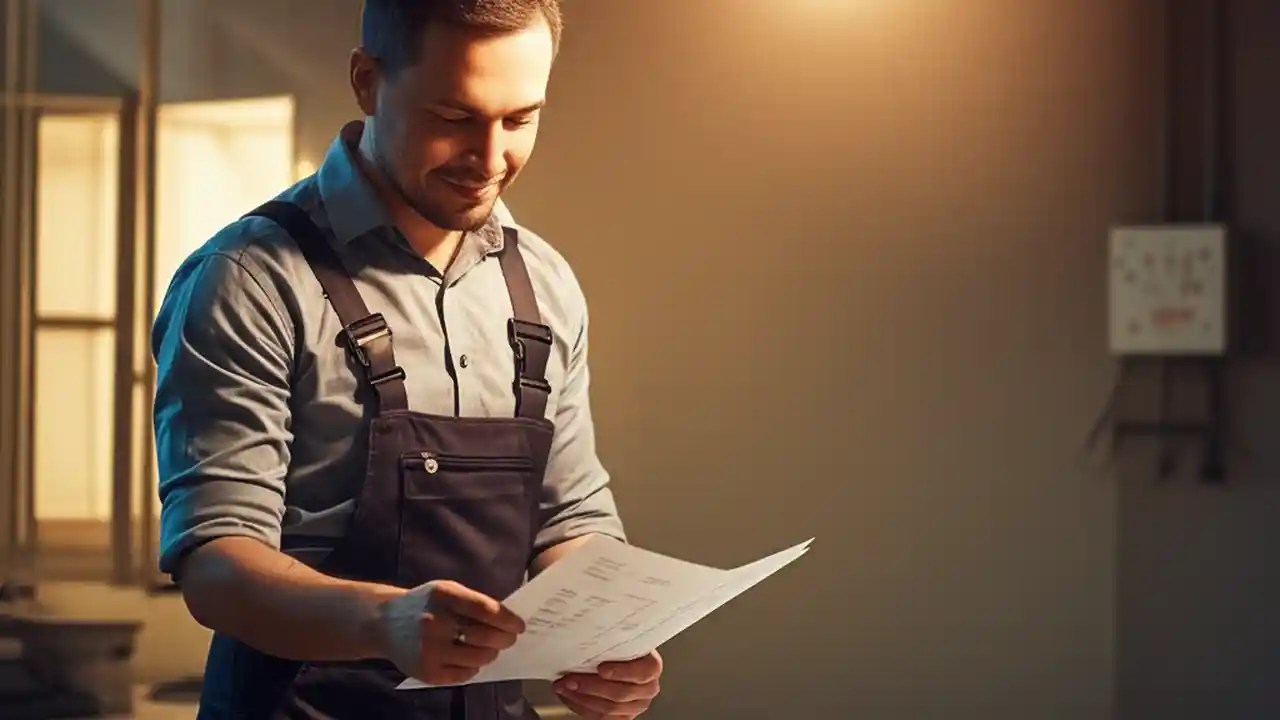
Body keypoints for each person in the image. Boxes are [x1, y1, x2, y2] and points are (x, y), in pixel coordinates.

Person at [150, 1, 663, 717]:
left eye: (519, 119)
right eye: (453, 117)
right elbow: (216, 566)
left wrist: (610, 638)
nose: (490, 159)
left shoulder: (544, 285)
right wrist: (381, 624)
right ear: (367, 81)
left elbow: (570, 517)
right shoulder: (249, 279)